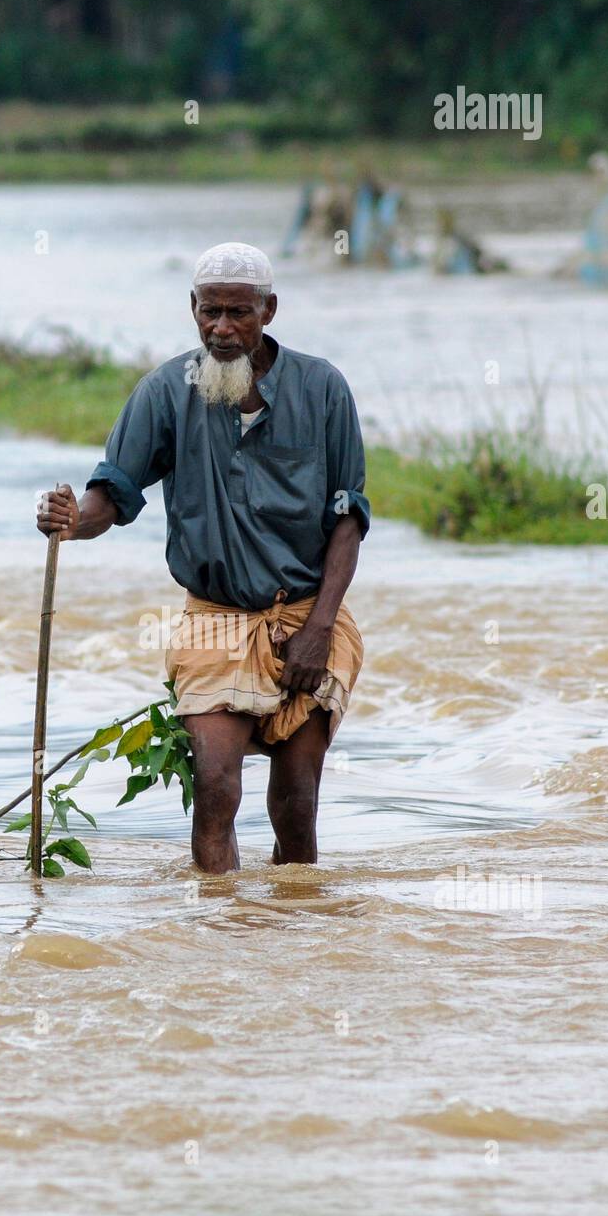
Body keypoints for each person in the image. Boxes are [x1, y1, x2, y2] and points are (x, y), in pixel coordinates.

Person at [36, 241, 368, 873]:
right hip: (213, 617)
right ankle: (217, 933)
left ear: (269, 310)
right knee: (216, 791)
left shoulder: (322, 387)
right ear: (192, 307)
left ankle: (295, 935)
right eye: (209, 311)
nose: (222, 328)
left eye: (238, 313)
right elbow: (113, 493)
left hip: (307, 616)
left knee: (297, 805)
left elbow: (347, 520)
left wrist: (321, 629)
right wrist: (73, 521)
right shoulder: (164, 391)